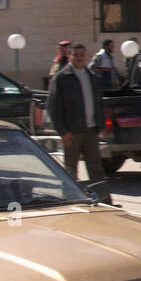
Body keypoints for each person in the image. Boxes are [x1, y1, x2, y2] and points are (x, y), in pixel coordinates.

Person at [48, 43, 113, 205]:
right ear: (70, 56)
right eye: (75, 54)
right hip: (72, 132)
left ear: (86, 56)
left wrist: (101, 126)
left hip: (91, 130)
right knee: (70, 169)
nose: (79, 57)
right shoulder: (62, 78)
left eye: (82, 54)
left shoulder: (92, 77)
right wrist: (62, 132)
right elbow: (53, 107)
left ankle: (104, 200)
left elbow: (98, 103)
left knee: (96, 166)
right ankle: (70, 200)